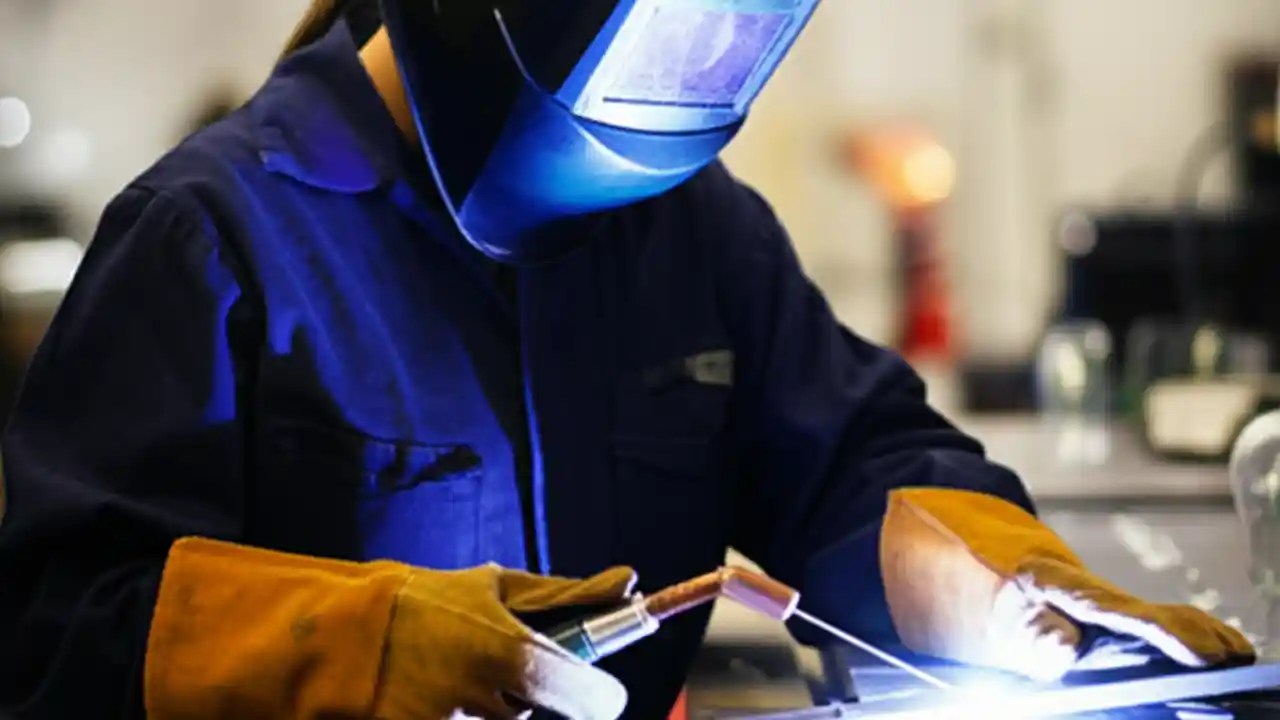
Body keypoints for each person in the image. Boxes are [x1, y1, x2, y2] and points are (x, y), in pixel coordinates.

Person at [0, 1, 1254, 718]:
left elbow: (858, 456)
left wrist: (999, 590)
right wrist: (366, 642)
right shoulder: (216, 236)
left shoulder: (689, 227)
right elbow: (57, 635)